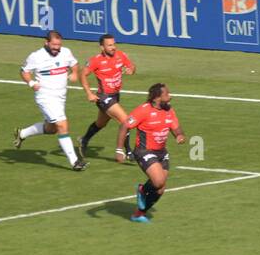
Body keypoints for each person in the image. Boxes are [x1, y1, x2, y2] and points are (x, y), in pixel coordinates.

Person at [14, 31, 87, 171]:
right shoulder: (36, 56)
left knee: (52, 128)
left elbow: (75, 64)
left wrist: (75, 73)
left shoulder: (66, 52)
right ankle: (75, 161)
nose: (56, 48)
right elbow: (24, 71)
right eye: (54, 45)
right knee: (62, 125)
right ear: (46, 42)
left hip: (61, 97)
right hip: (45, 96)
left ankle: (22, 133)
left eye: (59, 45)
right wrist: (31, 83)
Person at [116, 83, 188, 224]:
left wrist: (179, 136)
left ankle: (138, 214)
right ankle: (142, 189)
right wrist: (119, 150)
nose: (170, 96)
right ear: (156, 97)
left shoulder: (169, 110)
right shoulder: (144, 110)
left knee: (160, 189)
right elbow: (124, 125)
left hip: (162, 153)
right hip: (145, 151)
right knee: (159, 181)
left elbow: (177, 129)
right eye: (167, 94)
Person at [78, 35, 137, 157]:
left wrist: (131, 70)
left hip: (115, 96)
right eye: (109, 45)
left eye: (114, 44)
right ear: (102, 47)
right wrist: (89, 93)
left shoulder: (121, 55)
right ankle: (128, 151)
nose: (113, 47)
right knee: (126, 121)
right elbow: (83, 74)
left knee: (101, 124)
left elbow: (132, 66)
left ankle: (84, 140)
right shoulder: (96, 60)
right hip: (104, 97)